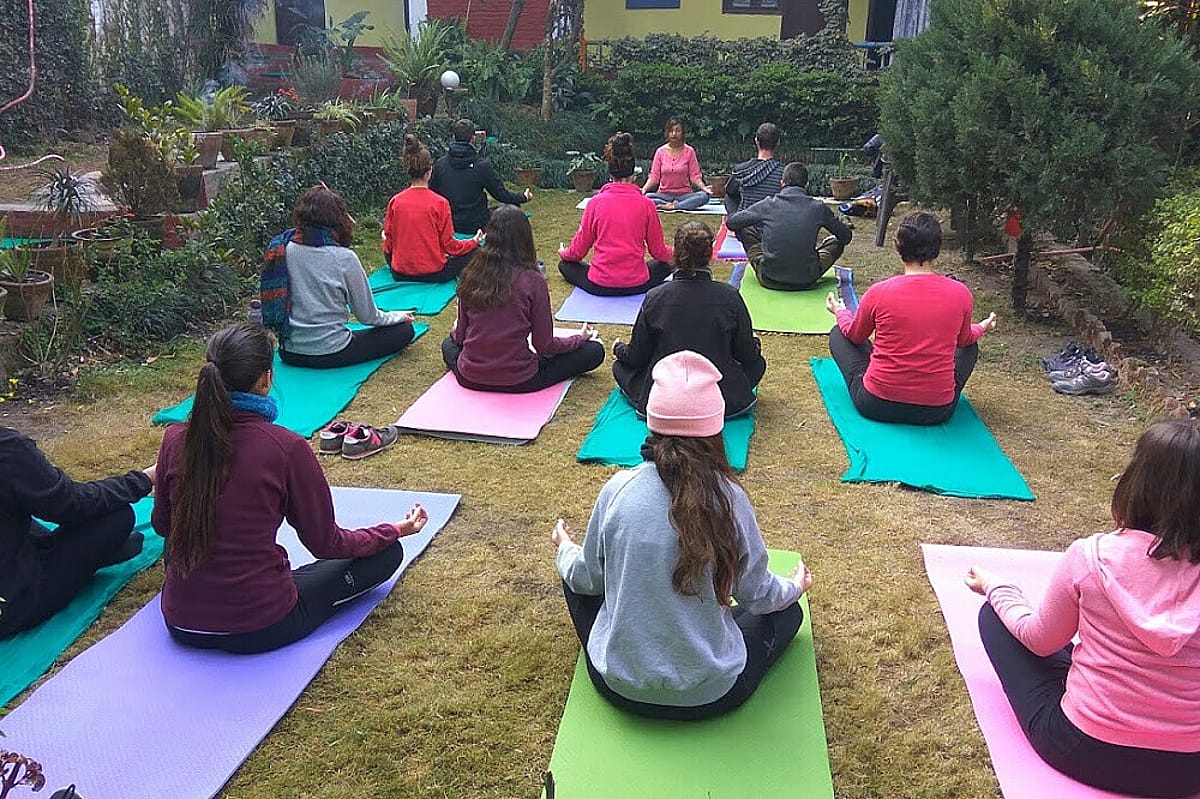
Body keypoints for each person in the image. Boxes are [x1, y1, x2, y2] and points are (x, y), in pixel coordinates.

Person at [554, 350, 812, 720]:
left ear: (651, 423)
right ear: (716, 428)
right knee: (787, 614)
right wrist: (794, 588)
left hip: (621, 687)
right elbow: (758, 595)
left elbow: (587, 579)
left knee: (573, 574)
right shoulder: (730, 500)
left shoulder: (617, 490)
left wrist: (565, 549)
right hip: (712, 694)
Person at [152, 323, 428, 654]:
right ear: (266, 378)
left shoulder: (175, 438)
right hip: (261, 625)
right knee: (387, 553)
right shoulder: (286, 447)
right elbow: (326, 543)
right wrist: (393, 531)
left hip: (181, 622)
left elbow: (163, 525)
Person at [965, 420, 1200, 799]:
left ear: (1135, 481)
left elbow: (1039, 641)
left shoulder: (1091, 557)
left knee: (995, 616)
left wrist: (996, 587)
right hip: (1189, 773)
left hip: (1083, 749)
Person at [826, 211, 997, 425]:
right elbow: (964, 341)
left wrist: (840, 311)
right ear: (936, 249)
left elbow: (854, 335)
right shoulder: (960, 293)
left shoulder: (879, 292)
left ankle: (884, 379)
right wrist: (982, 327)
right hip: (936, 411)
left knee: (838, 333)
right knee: (970, 346)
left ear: (899, 248)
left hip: (876, 404)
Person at [0, 427, 153, 640]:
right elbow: (73, 505)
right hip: (13, 605)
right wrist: (145, 479)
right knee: (117, 516)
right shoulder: (8, 448)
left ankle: (84, 555)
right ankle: (91, 557)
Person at [442, 205, 605, 392]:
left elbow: (460, 337)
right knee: (594, 351)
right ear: (525, 238)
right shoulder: (532, 280)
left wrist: (456, 330)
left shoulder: (472, 272)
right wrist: (579, 339)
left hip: (471, 376)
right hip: (519, 379)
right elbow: (544, 345)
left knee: (448, 345)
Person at [613, 221, 765, 417]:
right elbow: (746, 354)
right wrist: (755, 343)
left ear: (676, 253)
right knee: (757, 363)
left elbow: (637, 356)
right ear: (709, 253)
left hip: (665, 392)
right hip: (720, 393)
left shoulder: (656, 297)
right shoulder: (729, 296)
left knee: (620, 367)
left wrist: (618, 348)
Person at [262, 186, 416, 370]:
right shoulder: (344, 258)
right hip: (332, 352)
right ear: (338, 220)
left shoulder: (282, 248)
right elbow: (368, 316)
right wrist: (398, 316)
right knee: (405, 330)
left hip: (289, 352)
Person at [558, 132, 674, 297]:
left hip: (600, 284)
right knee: (666, 265)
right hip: (637, 284)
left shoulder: (595, 203)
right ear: (634, 175)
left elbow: (577, 252)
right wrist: (679, 252)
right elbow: (659, 252)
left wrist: (563, 252)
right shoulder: (647, 204)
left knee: (565, 265)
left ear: (610, 175)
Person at [727, 162, 853, 291]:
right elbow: (845, 236)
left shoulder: (768, 204)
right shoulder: (818, 207)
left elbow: (732, 223)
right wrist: (842, 225)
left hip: (769, 278)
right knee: (836, 241)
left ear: (782, 183)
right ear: (806, 184)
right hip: (807, 279)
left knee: (744, 227)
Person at [383, 134, 483, 283]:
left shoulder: (395, 202)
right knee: (474, 251)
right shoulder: (440, 203)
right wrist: (473, 241)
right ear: (429, 171)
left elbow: (388, 244)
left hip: (400, 272)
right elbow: (450, 246)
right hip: (433, 273)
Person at [430, 118, 533, 235]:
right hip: (476, 225)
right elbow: (500, 194)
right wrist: (523, 197)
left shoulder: (440, 165)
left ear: (454, 137)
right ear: (473, 138)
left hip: (449, 223)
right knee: (511, 210)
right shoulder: (482, 166)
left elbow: (432, 194)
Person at [641, 118, 712, 213]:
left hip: (684, 195)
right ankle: (673, 205)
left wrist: (704, 188)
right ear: (667, 133)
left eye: (677, 131)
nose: (674, 134)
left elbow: (694, 176)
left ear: (682, 133)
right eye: (671, 131)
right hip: (664, 195)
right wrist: (643, 190)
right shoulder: (660, 152)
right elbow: (654, 177)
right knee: (647, 197)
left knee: (703, 196)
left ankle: (674, 206)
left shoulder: (689, 151)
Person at [723, 122, 785, 217]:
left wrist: (734, 216)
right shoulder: (783, 173)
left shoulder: (741, 170)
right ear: (778, 142)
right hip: (772, 220)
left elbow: (730, 193)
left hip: (745, 221)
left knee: (729, 196)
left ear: (756, 141)